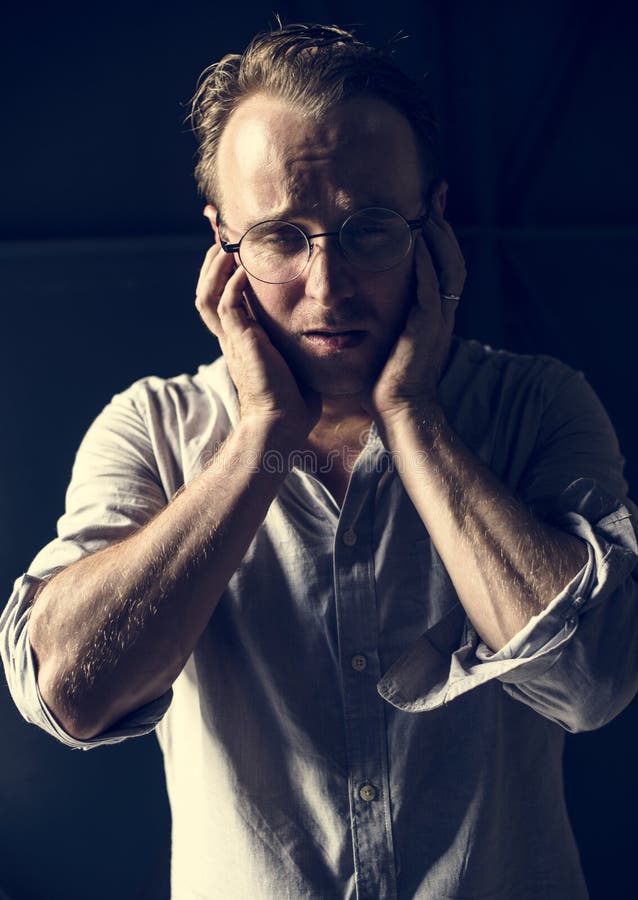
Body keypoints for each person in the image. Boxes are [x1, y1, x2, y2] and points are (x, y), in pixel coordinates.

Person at [2, 21, 637, 900]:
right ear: (222, 243)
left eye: (369, 229)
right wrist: (262, 436)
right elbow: (67, 693)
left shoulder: (537, 406)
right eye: (280, 237)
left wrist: (411, 416)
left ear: (434, 226)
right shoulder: (150, 428)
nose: (329, 286)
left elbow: (593, 681)